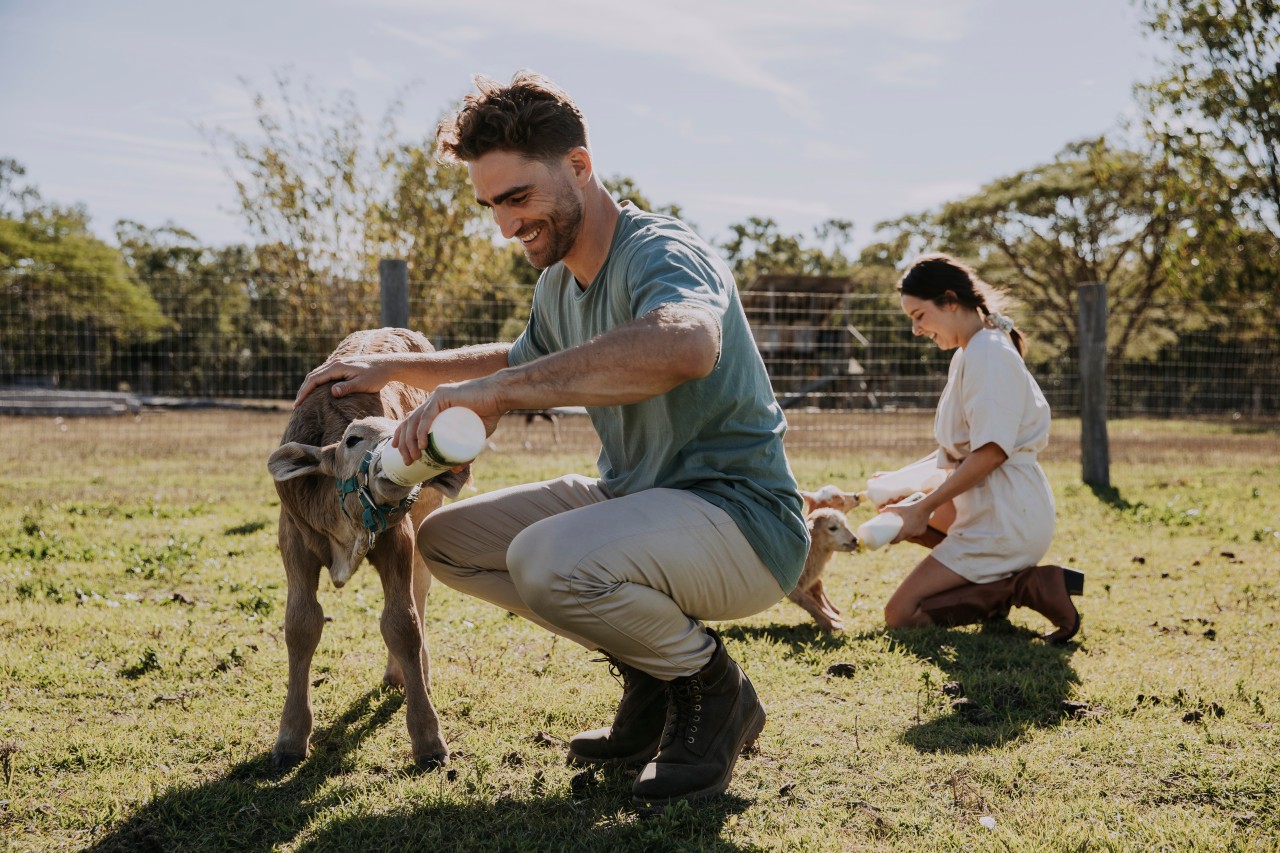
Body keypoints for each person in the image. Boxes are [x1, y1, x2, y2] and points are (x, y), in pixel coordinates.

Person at [293, 71, 809, 804]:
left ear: (579, 167)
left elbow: (687, 345)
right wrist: (394, 362)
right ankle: (654, 676)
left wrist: (496, 393)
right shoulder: (560, 283)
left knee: (543, 557)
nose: (505, 225)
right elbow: (518, 359)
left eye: (517, 198)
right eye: (491, 205)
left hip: (742, 524)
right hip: (640, 497)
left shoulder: (659, 250)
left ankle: (712, 689)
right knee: (447, 544)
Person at [878, 253, 1082, 643]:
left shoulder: (989, 354)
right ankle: (1000, 580)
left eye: (919, 315)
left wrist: (922, 508)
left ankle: (1022, 586)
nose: (917, 330)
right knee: (892, 504)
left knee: (901, 615)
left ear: (950, 301)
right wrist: (892, 486)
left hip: (1006, 518)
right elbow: (958, 454)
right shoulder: (970, 351)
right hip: (988, 507)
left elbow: (991, 453)